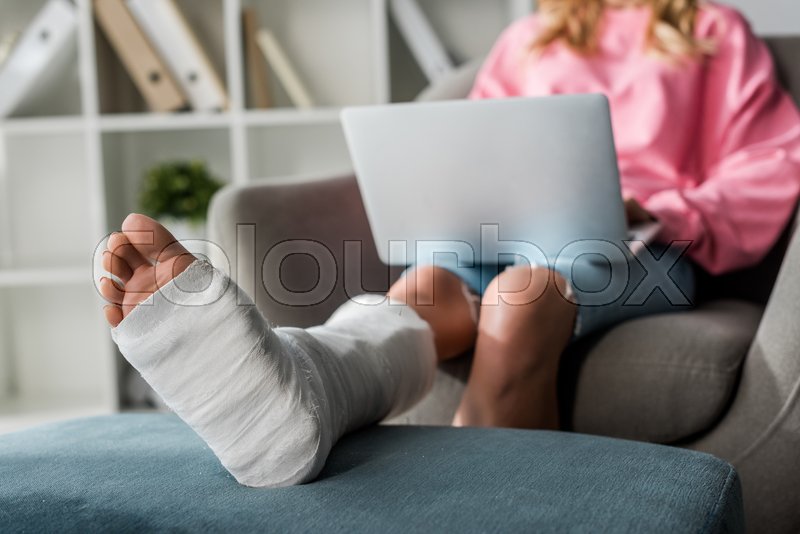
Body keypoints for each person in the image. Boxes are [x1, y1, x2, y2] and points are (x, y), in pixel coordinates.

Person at [98, 0, 800, 488]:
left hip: (644, 246)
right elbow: (474, 147)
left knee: (521, 300)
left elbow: (774, 163)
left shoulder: (715, 31)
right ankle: (302, 391)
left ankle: (479, 503)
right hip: (502, 231)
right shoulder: (528, 39)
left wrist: (653, 202)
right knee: (420, 290)